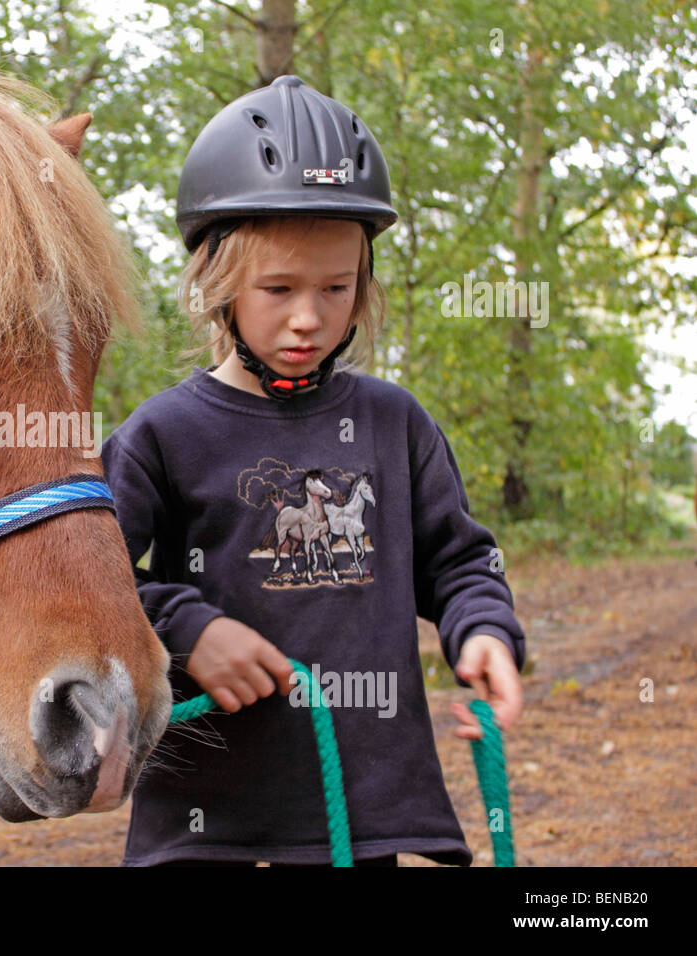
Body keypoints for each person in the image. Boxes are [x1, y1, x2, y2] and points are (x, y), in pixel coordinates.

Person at [100, 75, 525, 867]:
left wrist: (485, 631)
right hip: (207, 811)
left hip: (357, 804)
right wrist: (190, 630)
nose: (310, 316)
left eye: (337, 288)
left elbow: (460, 561)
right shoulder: (162, 434)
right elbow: (91, 580)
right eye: (280, 288)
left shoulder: (393, 425)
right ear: (216, 283)